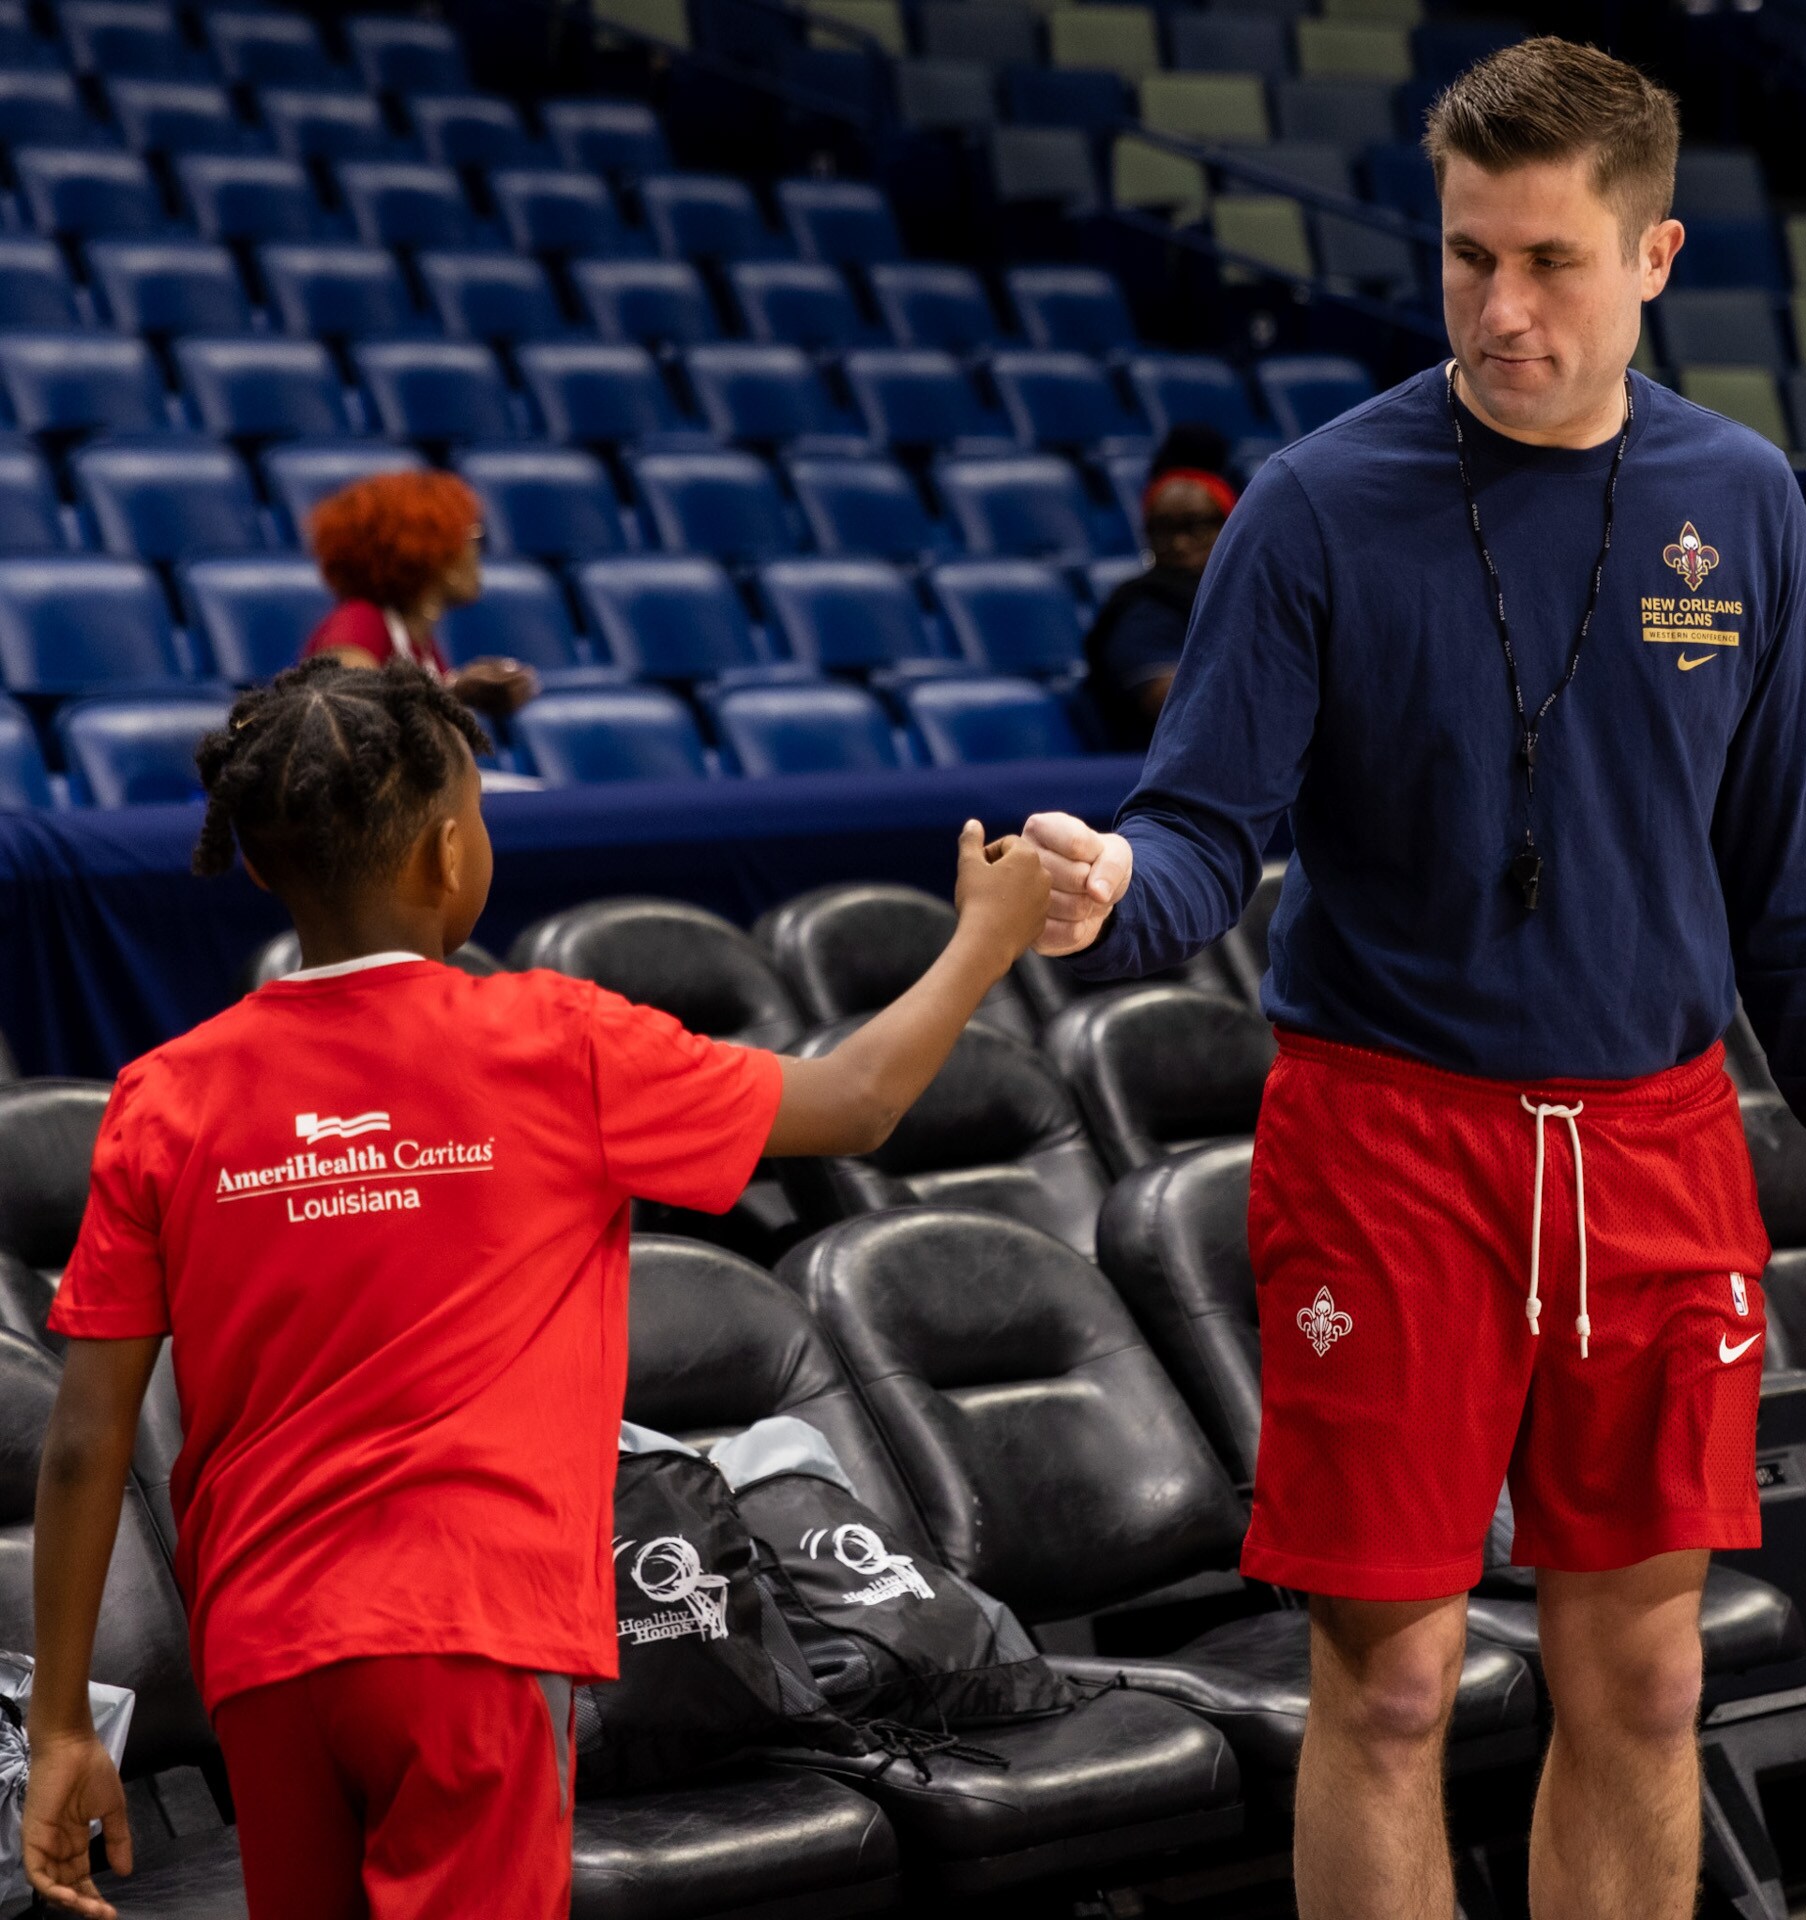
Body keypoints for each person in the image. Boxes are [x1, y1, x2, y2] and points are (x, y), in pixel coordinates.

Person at [1022, 37, 1806, 1920]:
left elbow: (1800, 896)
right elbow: (1201, 831)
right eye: (1465, 258)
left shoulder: (1738, 506)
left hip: (1655, 1145)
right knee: (1397, 1680)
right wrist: (1110, 886)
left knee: (1648, 1679)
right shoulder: (1316, 505)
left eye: (1549, 263)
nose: (1502, 307)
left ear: (1653, 256)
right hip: (1388, 1137)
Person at [21, 656, 1050, 1920]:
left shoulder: (160, 1096)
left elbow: (84, 1443)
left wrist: (65, 1726)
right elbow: (858, 1098)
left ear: (253, 861)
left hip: (261, 1649)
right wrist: (983, 943)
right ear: (451, 854)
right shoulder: (559, 1042)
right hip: (471, 1637)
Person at [303, 470, 538, 720]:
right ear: (430, 553)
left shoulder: (419, 641)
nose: (477, 551)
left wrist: (452, 691)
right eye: (472, 536)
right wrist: (453, 691)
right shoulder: (359, 622)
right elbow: (347, 712)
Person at [1084, 426, 1238, 749]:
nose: (1179, 544)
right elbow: (1174, 702)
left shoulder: (1239, 594)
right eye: (1163, 529)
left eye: (1195, 526)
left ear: (1229, 526)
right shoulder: (1142, 606)